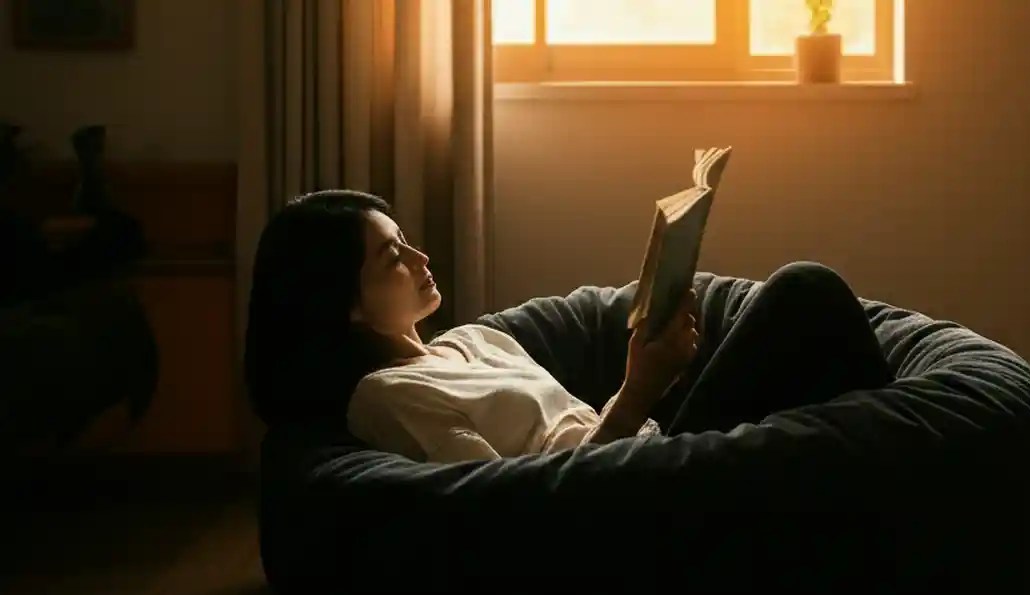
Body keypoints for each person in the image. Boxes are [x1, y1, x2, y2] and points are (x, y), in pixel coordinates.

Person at [244, 189, 891, 463]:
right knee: (804, 291)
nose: (421, 260)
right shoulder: (389, 397)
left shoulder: (475, 341)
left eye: (409, 242)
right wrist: (639, 389)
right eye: (392, 257)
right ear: (345, 303)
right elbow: (523, 508)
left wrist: (652, 381)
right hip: (629, 511)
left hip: (660, 449)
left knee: (810, 321)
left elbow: (578, 432)